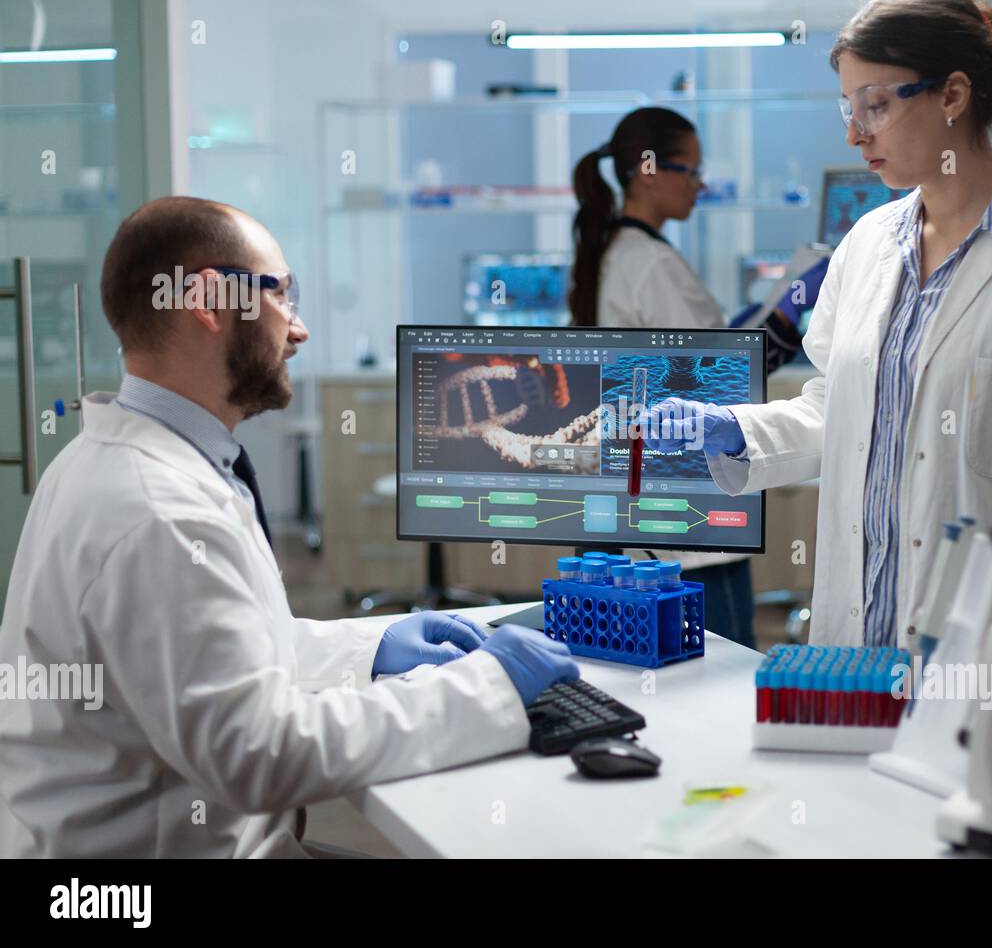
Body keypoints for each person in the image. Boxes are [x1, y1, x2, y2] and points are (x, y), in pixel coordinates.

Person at [647, 0, 992, 765]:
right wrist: (742, 430)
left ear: (952, 95)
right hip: (851, 661)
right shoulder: (867, 244)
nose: (855, 133)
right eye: (848, 108)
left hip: (989, 667)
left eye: (876, 105)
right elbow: (844, 409)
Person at [0, 196, 577, 857]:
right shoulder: (156, 511)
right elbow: (259, 753)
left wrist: (371, 650)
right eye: (281, 294)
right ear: (210, 302)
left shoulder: (123, 460)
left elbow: (223, 655)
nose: (297, 331)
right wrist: (488, 687)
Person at [569, 108, 828, 649]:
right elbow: (720, 381)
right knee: (719, 667)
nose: (700, 183)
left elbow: (690, 355)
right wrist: (786, 314)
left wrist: (752, 324)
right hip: (682, 516)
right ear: (647, 170)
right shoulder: (652, 264)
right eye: (690, 169)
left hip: (639, 501)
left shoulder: (620, 251)